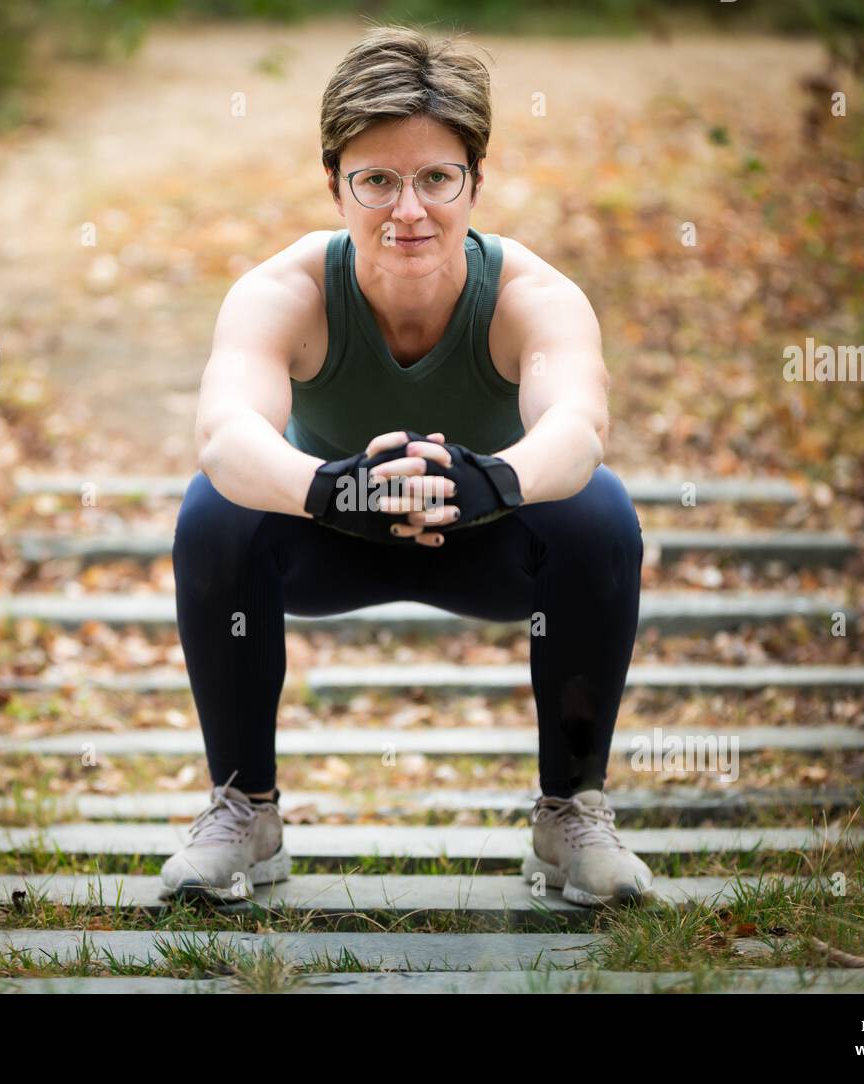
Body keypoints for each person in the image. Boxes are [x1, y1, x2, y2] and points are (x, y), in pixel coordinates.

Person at [161, 25, 651, 908]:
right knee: (213, 509)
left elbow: (579, 425)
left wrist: (493, 482)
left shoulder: (532, 296)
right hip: (324, 539)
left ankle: (570, 812)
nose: (408, 210)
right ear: (333, 183)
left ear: (476, 180)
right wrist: (327, 489)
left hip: (490, 545)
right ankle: (246, 809)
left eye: (436, 179)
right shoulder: (286, 292)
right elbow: (226, 433)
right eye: (376, 181)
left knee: (598, 511)